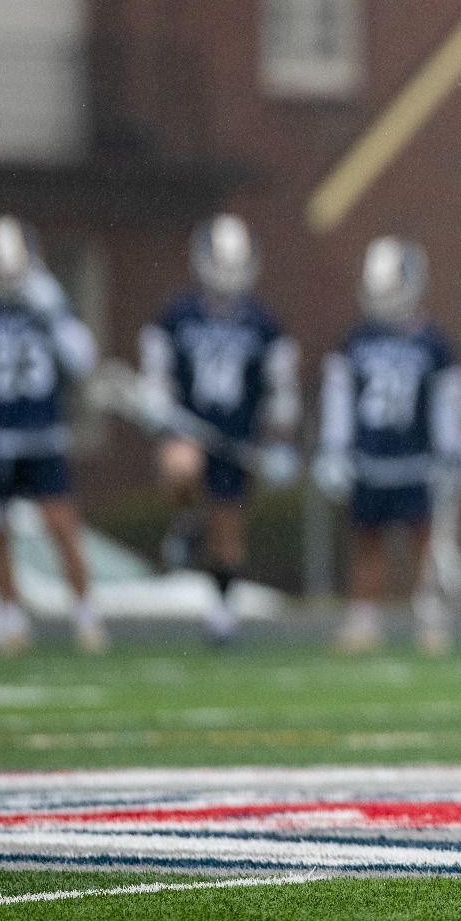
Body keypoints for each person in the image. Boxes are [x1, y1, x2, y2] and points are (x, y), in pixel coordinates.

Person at [140, 214, 300, 645]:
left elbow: (281, 388)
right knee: (182, 467)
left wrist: (278, 441)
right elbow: (157, 372)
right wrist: (160, 408)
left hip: (237, 437)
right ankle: (187, 518)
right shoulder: (178, 313)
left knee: (228, 534)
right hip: (188, 429)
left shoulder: (264, 322)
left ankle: (222, 613)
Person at [0, 218, 101, 653]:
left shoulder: (44, 306)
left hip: (42, 435)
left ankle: (86, 617)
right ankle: (12, 620)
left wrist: (56, 314)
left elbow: (82, 359)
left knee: (62, 526)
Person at [315, 238, 461, 654]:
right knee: (368, 540)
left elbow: (445, 402)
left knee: (425, 542)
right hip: (370, 455)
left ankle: (430, 616)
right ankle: (364, 619)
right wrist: (334, 450)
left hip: (416, 456)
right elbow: (339, 400)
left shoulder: (433, 343)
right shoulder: (355, 340)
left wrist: (450, 452)